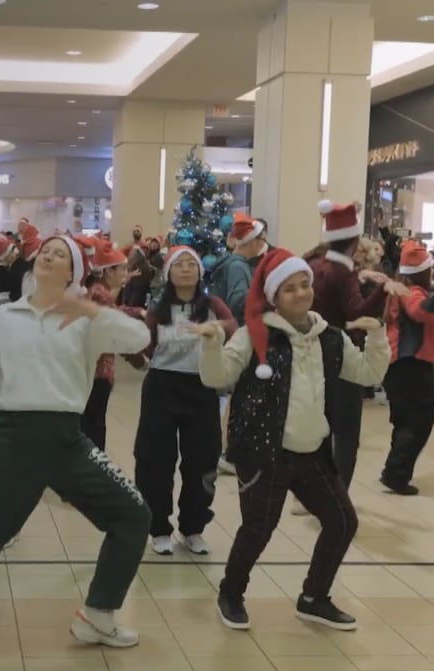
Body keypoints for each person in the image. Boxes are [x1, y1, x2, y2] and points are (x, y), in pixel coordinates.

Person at [0, 234, 151, 648]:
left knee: (133, 516)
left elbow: (140, 339)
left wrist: (91, 309)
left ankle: (98, 614)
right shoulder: (6, 317)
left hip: (67, 440)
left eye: (60, 254)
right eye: (45, 252)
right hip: (10, 441)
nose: (49, 256)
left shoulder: (86, 318)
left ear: (74, 271)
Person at [196, 247, 389, 631]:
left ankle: (314, 597)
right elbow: (216, 377)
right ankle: (231, 593)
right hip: (266, 452)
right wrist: (212, 344)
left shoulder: (329, 338)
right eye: (290, 289)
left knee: (341, 521)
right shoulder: (256, 334)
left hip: (313, 450)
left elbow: (368, 374)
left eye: (305, 285)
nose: (301, 293)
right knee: (258, 529)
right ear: (273, 296)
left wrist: (378, 336)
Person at [133, 246, 236, 556]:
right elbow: (139, 343)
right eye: (180, 265)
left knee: (202, 460)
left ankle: (193, 527)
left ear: (201, 272)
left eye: (193, 263)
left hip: (201, 387)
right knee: (155, 460)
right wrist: (137, 360)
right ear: (169, 274)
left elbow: (234, 328)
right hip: (161, 387)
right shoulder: (157, 309)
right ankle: (158, 527)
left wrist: (216, 329)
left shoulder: (213, 305)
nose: (187, 269)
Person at [306, 200, 406, 491]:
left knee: (320, 426)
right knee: (346, 432)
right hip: (342, 354)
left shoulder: (318, 265)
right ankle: (336, 493)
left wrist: (364, 277)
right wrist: (382, 290)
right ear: (353, 242)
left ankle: (313, 490)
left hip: (317, 353)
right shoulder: (342, 271)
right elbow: (356, 311)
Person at [378, 242, 434, 496]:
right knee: (419, 421)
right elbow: (420, 313)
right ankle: (395, 474)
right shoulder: (412, 292)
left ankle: (394, 472)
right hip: (410, 364)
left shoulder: (403, 287)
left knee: (404, 420)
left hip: (400, 363)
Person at [82, 238, 138, 450]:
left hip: (98, 369)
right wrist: (138, 312)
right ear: (107, 272)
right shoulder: (99, 294)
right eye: (121, 269)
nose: (125, 274)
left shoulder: (99, 291)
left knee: (93, 421)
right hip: (97, 370)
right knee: (94, 424)